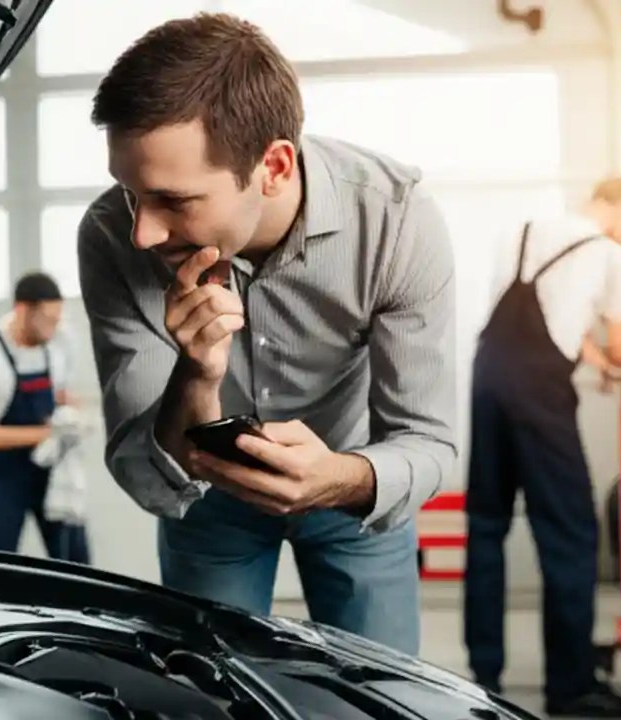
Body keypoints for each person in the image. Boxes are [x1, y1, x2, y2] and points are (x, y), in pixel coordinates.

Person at [76, 13, 456, 655]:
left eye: (174, 200)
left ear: (274, 166)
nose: (143, 232)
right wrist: (194, 375)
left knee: (376, 693)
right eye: (131, 193)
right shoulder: (112, 236)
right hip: (209, 498)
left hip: (354, 487)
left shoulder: (397, 223)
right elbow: (144, 476)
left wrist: (336, 478)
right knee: (209, 691)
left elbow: (429, 443)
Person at [463, 177, 621, 716]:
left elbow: (548, 318)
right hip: (540, 393)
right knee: (571, 532)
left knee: (486, 526)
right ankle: (569, 687)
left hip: (489, 379)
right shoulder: (612, 256)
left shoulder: (523, 233)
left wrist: (589, 357)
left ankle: (483, 674)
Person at [0, 271, 91, 564]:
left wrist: (75, 418)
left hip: (53, 473)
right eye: (47, 321)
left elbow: (62, 394)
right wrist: (43, 436)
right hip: (4, 476)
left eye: (57, 320)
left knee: (77, 566)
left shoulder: (60, 342)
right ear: (22, 310)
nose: (53, 329)